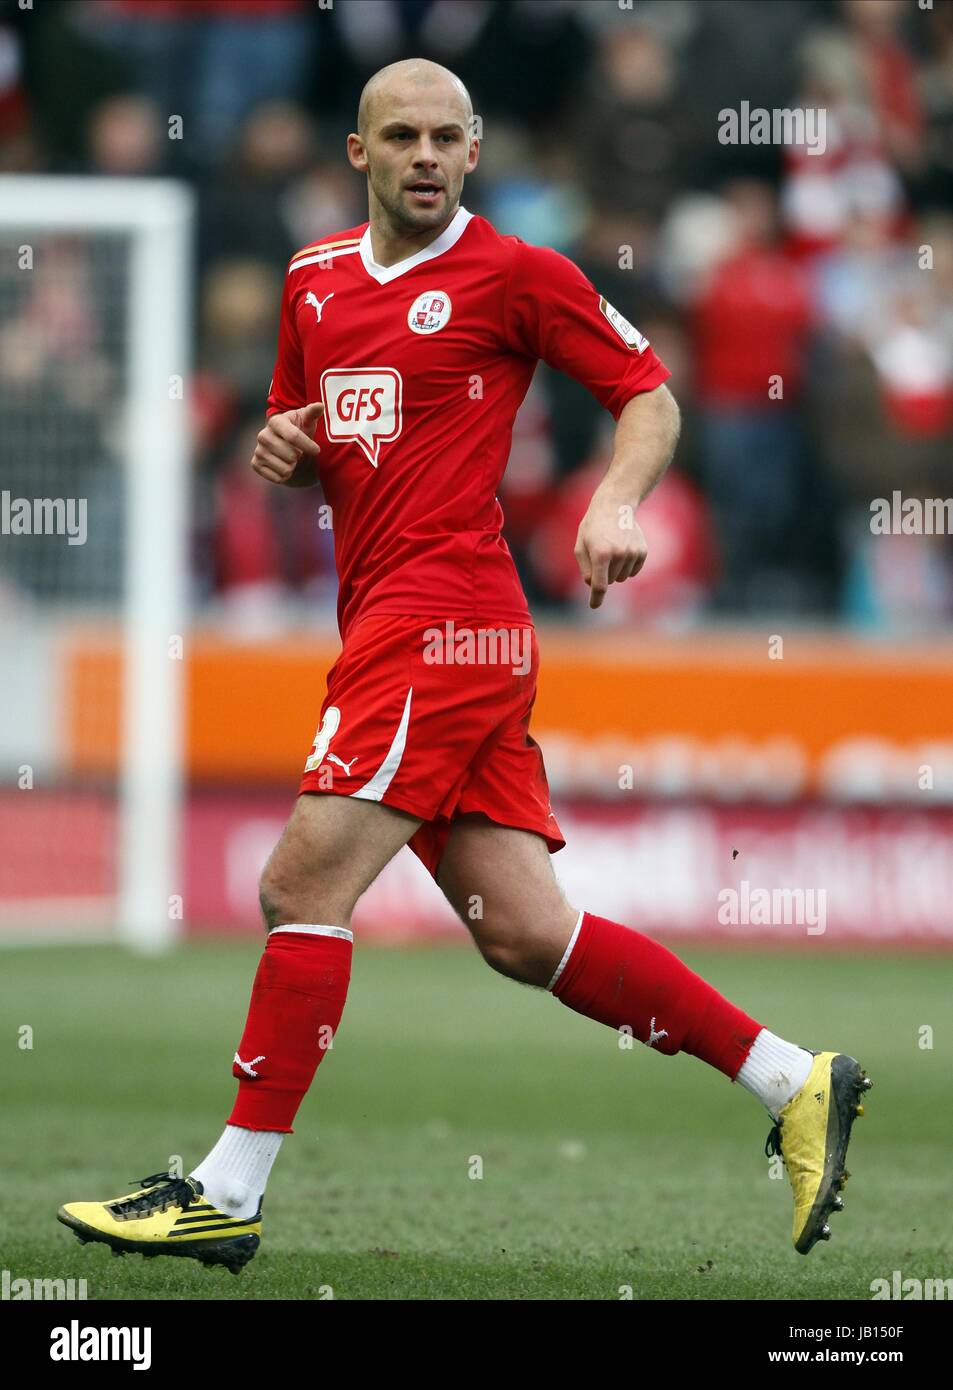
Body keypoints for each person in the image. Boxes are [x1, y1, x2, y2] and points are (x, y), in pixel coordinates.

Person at [58, 59, 870, 1276]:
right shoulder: (311, 280)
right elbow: (306, 424)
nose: (427, 154)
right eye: (403, 136)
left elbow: (647, 394)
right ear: (359, 154)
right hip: (386, 620)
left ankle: (226, 1189)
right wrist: (281, 441)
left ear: (475, 150)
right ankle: (790, 1078)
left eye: (448, 136)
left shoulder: (514, 275)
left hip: (448, 620)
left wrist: (610, 503)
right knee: (524, 932)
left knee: (297, 887)